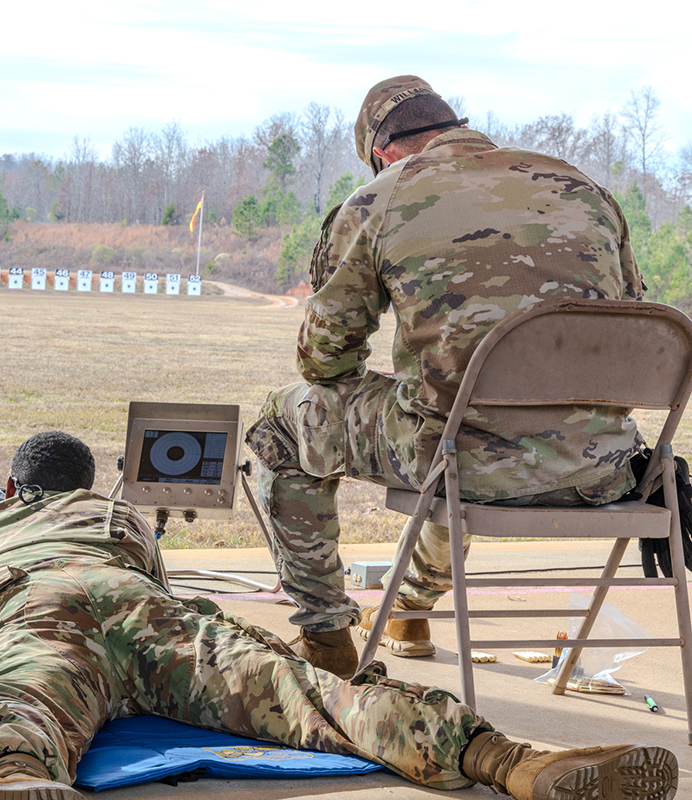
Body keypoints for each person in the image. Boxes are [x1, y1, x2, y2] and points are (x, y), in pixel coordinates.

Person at [0, 431, 676, 800]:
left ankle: (19, 780)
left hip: (33, 610)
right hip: (145, 607)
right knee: (310, 694)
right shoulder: (113, 518)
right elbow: (146, 570)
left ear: (14, 485)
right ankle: (511, 762)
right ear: (85, 481)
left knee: (6, 700)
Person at [246, 75, 646, 678]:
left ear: (381, 152)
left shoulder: (379, 200)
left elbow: (324, 362)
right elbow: (634, 321)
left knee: (287, 420)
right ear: (456, 125)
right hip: (603, 467)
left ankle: (327, 638)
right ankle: (409, 609)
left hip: (462, 460)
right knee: (463, 426)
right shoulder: (582, 188)